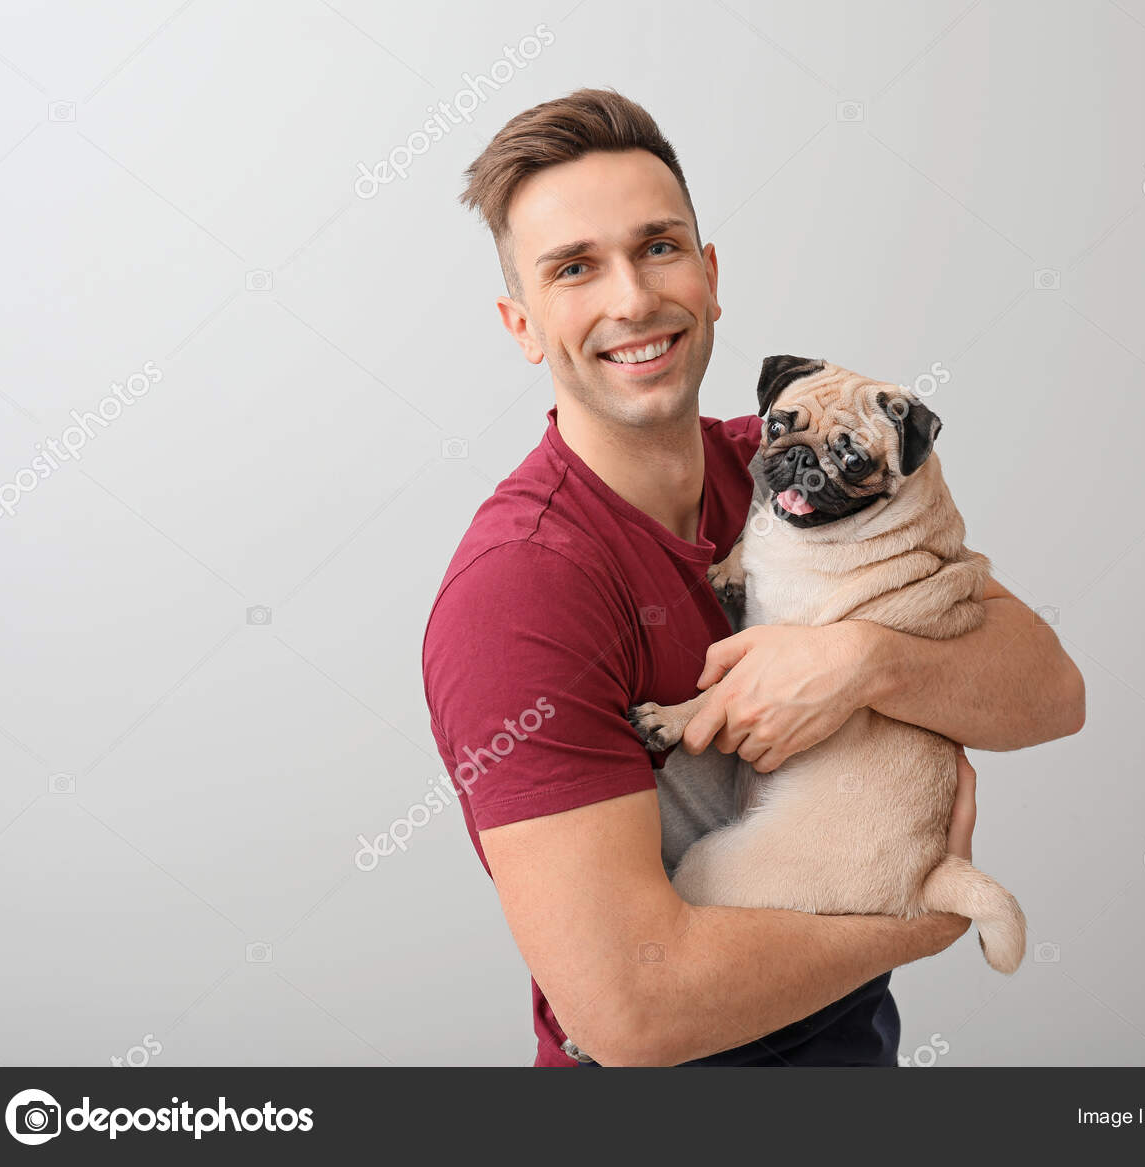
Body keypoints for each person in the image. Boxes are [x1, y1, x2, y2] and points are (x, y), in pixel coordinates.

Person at [421, 88, 1085, 1067]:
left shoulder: (789, 473)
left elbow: (1050, 697)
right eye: (574, 269)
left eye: (658, 247)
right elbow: (635, 1014)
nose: (633, 300)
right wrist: (922, 919)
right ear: (521, 324)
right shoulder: (520, 592)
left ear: (709, 274)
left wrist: (860, 660)